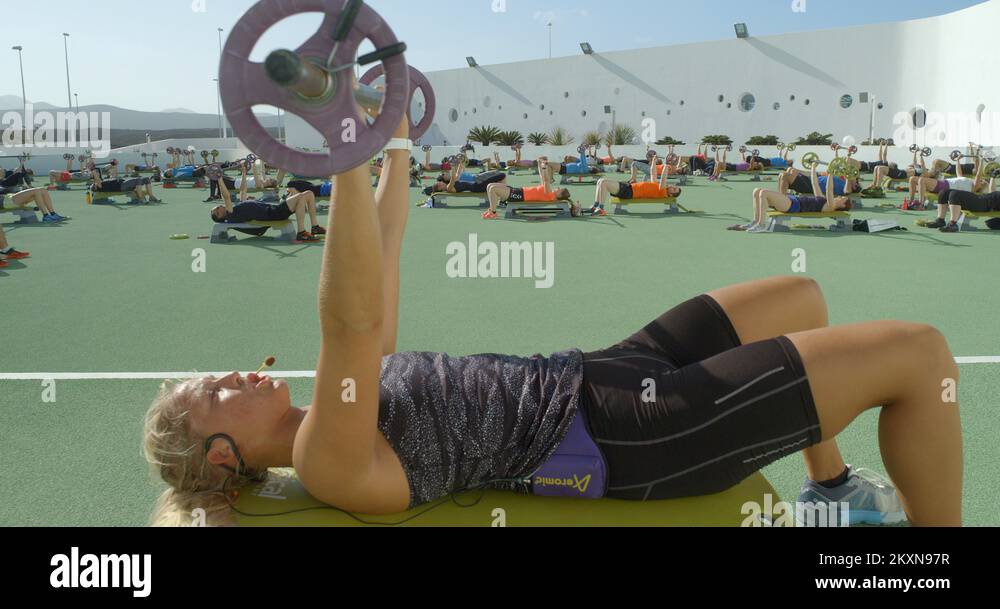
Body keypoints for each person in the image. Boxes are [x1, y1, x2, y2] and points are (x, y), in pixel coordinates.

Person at [143, 114, 963, 529]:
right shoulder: (326, 456)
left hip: (595, 370)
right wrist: (343, 159)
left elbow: (383, 255)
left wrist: (393, 141)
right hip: (621, 432)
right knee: (922, 357)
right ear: (224, 455)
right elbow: (348, 318)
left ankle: (832, 489)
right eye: (218, 391)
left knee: (802, 297)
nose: (238, 372)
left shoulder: (344, 409)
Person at [731, 161, 854, 233]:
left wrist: (831, 174)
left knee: (764, 193)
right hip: (792, 201)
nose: (840, 197)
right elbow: (814, 182)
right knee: (757, 191)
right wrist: (813, 167)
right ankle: (755, 222)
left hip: (793, 205)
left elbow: (829, 189)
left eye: (843, 199)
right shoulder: (823, 199)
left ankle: (761, 225)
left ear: (843, 205)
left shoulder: (831, 206)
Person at [210, 167, 325, 243]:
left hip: (274, 209)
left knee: (308, 195)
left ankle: (313, 228)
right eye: (217, 211)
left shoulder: (236, 208)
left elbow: (243, 189)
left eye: (218, 207)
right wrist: (219, 179)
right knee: (305, 194)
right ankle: (302, 233)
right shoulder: (231, 215)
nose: (220, 208)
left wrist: (244, 172)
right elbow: (226, 196)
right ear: (221, 217)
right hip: (274, 213)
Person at [484, 159, 579, 219]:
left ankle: (493, 212)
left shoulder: (550, 194)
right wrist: (539, 163)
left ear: (559, 195)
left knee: (492, 188)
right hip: (518, 191)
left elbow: (546, 179)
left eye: (559, 189)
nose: (558, 187)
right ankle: (491, 209)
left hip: (518, 195)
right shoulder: (549, 192)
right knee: (490, 186)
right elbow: (542, 178)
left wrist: (544, 168)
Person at [591, 159, 682, 216]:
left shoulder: (663, 193)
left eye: (674, 189)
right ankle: (595, 206)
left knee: (603, 182)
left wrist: (666, 167)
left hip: (629, 192)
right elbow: (653, 174)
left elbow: (663, 179)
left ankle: (601, 209)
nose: (673, 186)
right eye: (675, 187)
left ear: (670, 194)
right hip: (629, 187)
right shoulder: (657, 187)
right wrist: (654, 160)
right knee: (600, 181)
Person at [925, 173, 999, 233]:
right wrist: (993, 176)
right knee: (944, 192)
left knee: (955, 194)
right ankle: (940, 220)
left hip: (984, 205)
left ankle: (953, 224)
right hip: (981, 198)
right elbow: (993, 191)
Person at [0, 186, 69, 223]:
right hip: (6, 201)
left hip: (9, 197)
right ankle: (46, 216)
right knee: (36, 191)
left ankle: (53, 214)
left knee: (42, 190)